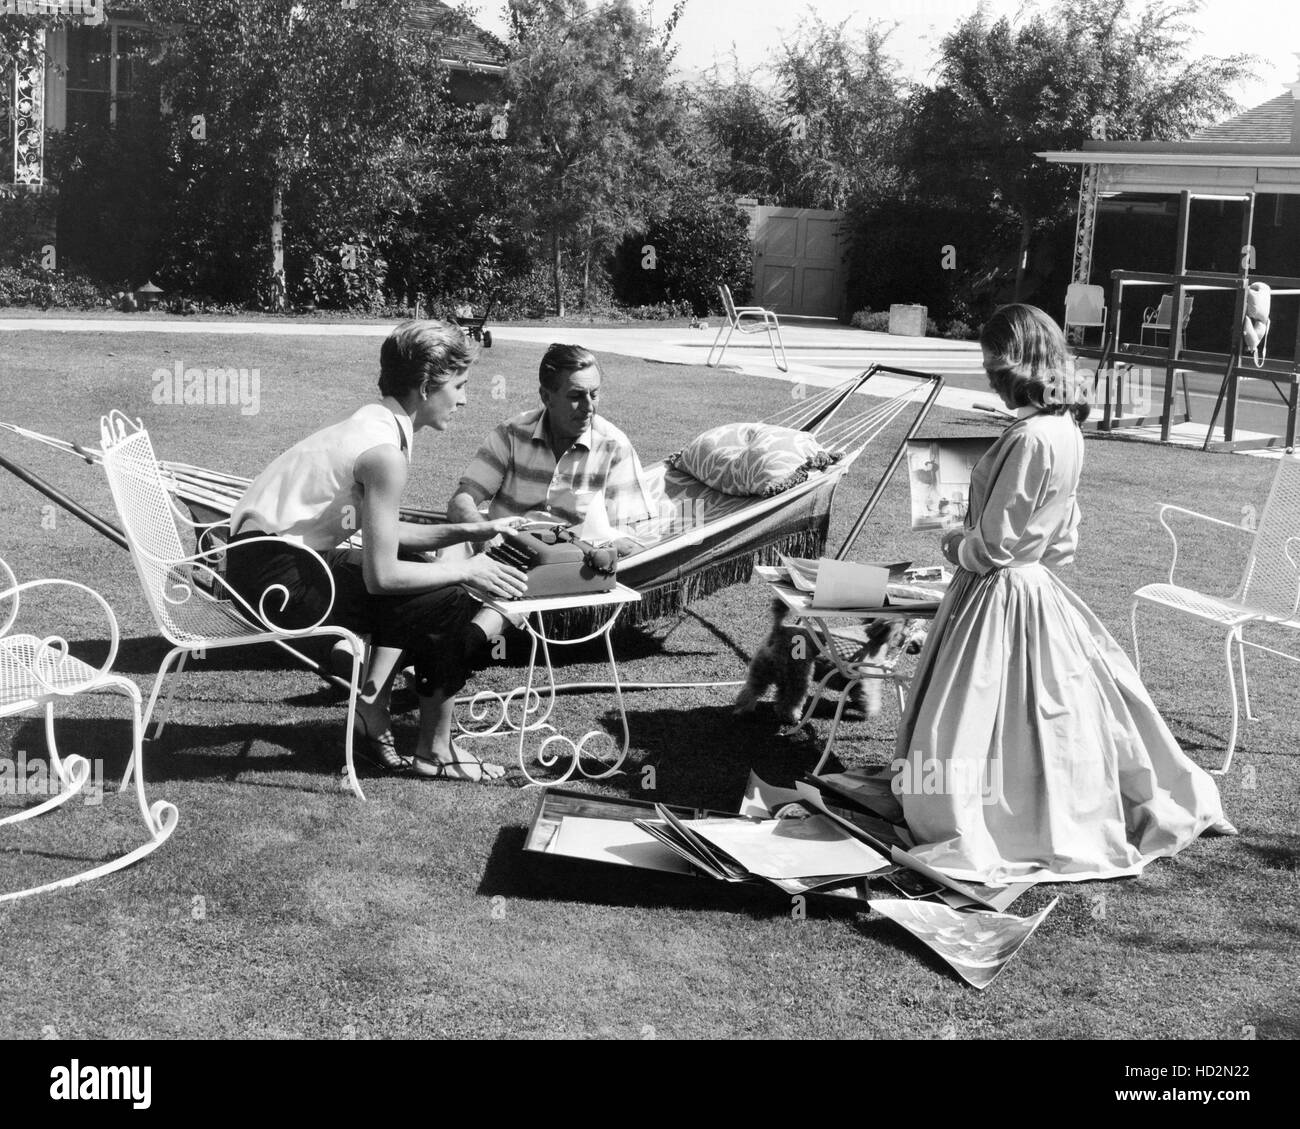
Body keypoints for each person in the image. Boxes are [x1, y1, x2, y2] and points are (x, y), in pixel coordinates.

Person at [893, 303, 1234, 885]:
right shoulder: (1066, 431)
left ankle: (1001, 818)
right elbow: (1064, 542)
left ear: (1011, 362)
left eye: (989, 361)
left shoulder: (1028, 437)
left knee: (979, 715)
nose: (988, 374)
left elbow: (993, 546)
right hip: (1036, 589)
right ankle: (1062, 800)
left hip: (998, 591)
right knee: (1057, 709)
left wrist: (952, 541)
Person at [225, 320, 530, 782]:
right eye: (460, 386)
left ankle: (375, 701)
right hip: (276, 581)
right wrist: (466, 571)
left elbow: (386, 536)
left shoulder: (373, 422)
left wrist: (472, 530)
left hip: (259, 564)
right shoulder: (385, 453)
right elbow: (381, 577)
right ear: (427, 386)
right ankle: (433, 749)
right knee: (448, 600)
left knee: (429, 580)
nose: (464, 399)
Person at [446, 344, 659, 550]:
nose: (588, 407)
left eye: (594, 394)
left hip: (574, 571)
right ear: (546, 397)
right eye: (576, 396)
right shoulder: (511, 434)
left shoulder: (613, 448)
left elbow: (635, 537)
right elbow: (461, 501)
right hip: (503, 557)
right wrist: (486, 536)